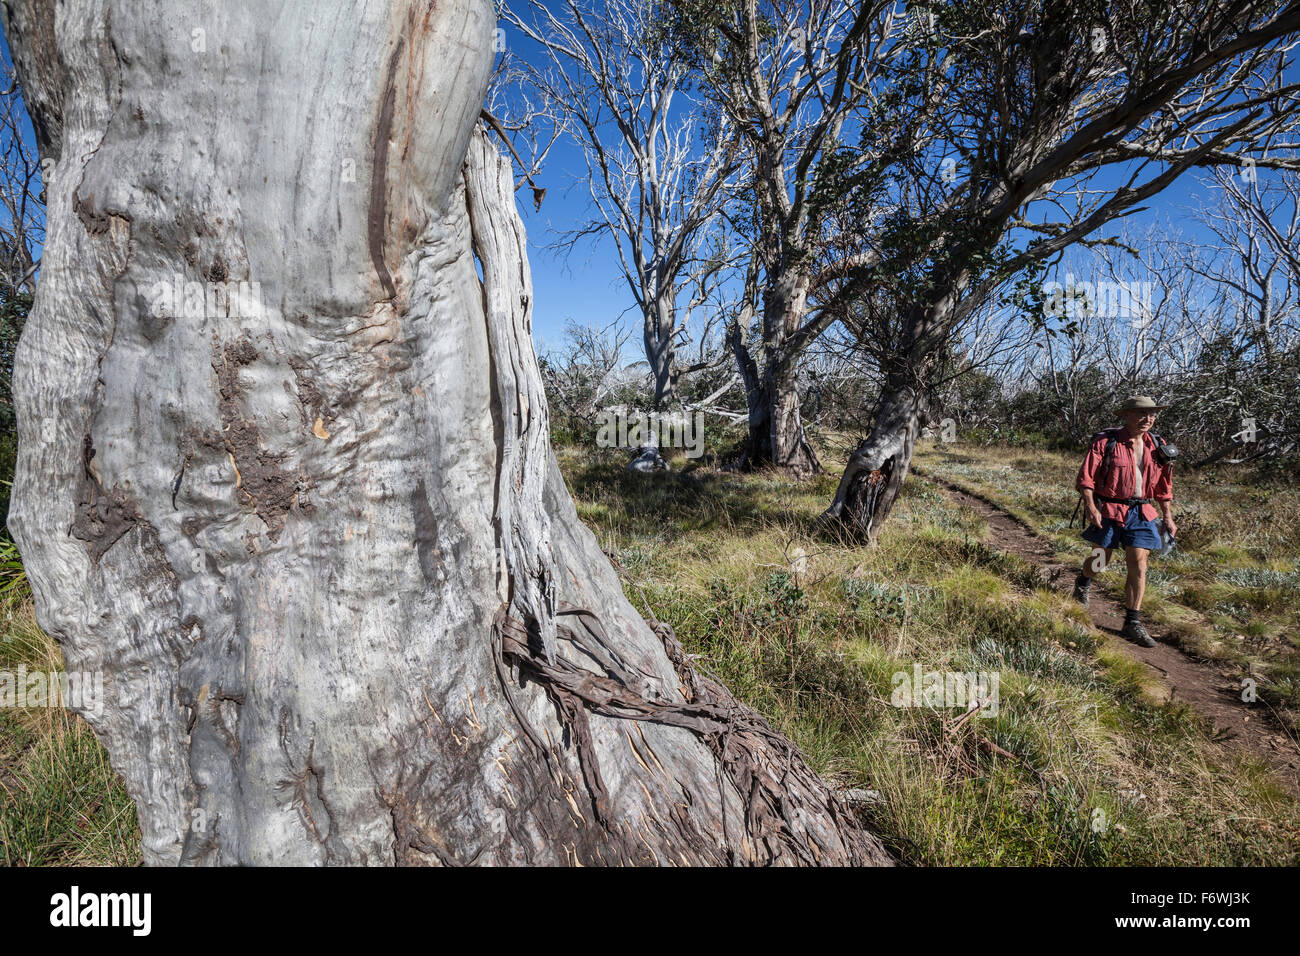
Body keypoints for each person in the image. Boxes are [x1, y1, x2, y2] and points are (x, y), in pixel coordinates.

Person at [1072, 395, 1179, 647]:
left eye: (1152, 414)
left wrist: (1167, 516)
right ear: (1126, 415)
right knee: (1101, 560)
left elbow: (1165, 486)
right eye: (1141, 414)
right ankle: (1083, 581)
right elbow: (1086, 478)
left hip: (1141, 512)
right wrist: (1091, 507)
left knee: (1139, 563)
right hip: (1109, 507)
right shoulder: (1106, 441)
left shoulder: (1158, 445)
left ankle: (1133, 621)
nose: (1147, 419)